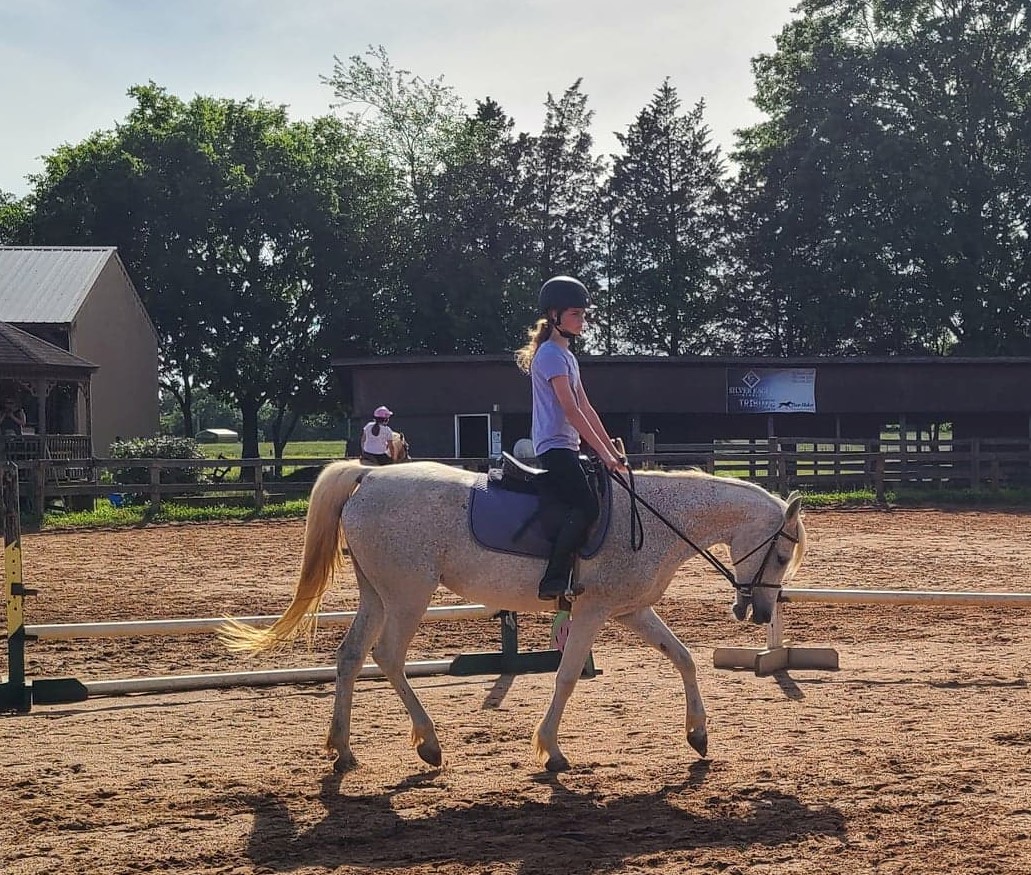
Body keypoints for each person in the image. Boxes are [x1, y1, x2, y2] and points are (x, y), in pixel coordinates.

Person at [515, 275, 628, 600]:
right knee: (587, 506)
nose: (582, 320)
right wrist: (603, 455)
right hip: (554, 446)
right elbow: (570, 410)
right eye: (575, 314)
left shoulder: (567, 356)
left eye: (583, 314)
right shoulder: (551, 354)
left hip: (567, 445)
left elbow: (587, 409)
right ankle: (553, 579)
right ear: (554, 316)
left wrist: (612, 451)